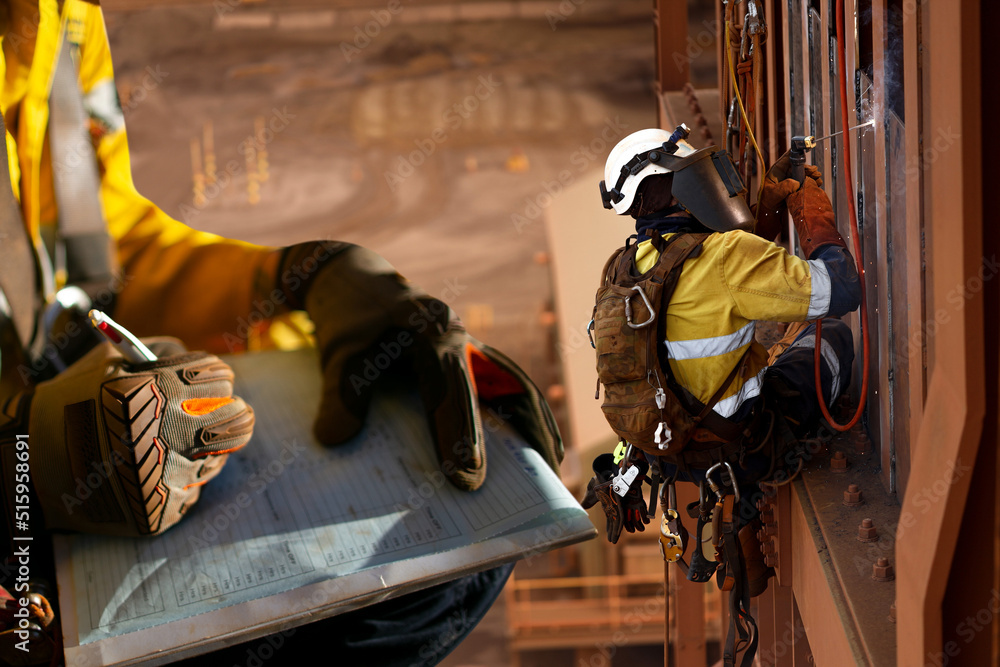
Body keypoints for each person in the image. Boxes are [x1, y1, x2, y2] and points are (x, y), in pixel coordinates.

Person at [0, 0, 563, 663]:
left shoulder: (58, 18)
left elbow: (104, 260)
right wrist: (26, 471)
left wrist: (298, 279)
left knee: (455, 548)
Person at [586, 126, 861, 594]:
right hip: (742, 445)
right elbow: (841, 287)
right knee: (830, 336)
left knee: (761, 337)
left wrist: (767, 206)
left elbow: (729, 280)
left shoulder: (624, 266)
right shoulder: (724, 256)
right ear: (676, 185)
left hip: (671, 452)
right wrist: (811, 212)